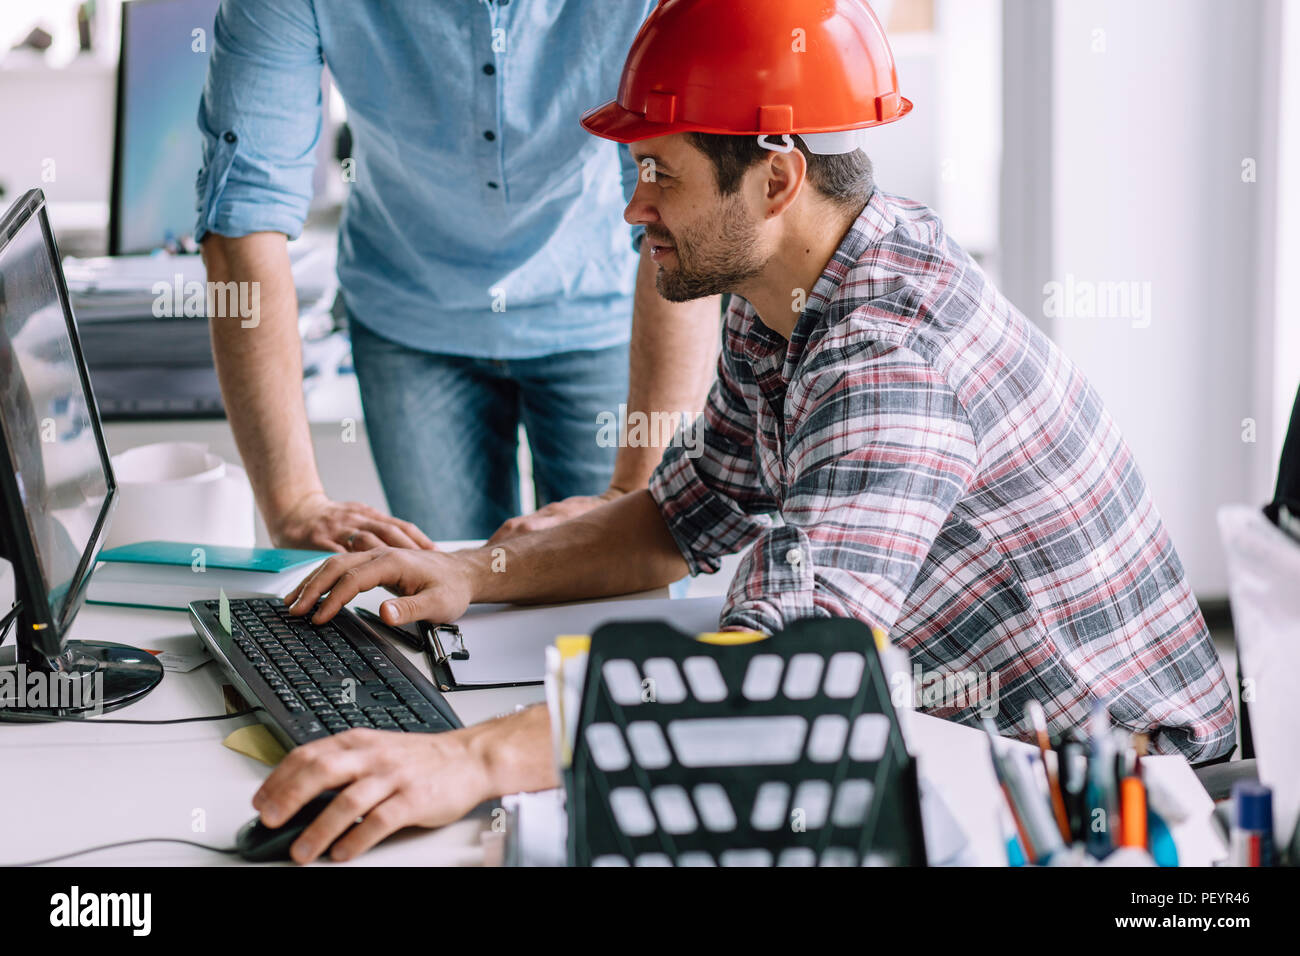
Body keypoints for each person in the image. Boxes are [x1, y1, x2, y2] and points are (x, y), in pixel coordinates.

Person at [250, 0, 1236, 863]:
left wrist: (467, 756)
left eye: (659, 175)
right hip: (949, 721)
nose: (633, 209)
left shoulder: (884, 355)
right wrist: (475, 571)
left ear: (773, 180)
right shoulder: (790, 296)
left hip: (1104, 796)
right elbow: (678, 518)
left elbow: (791, 669)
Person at [195, 0, 719, 551]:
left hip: (607, 308)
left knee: (622, 577)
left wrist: (636, 497)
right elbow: (242, 218)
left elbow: (685, 215)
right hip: (411, 316)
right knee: (446, 601)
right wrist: (294, 503)